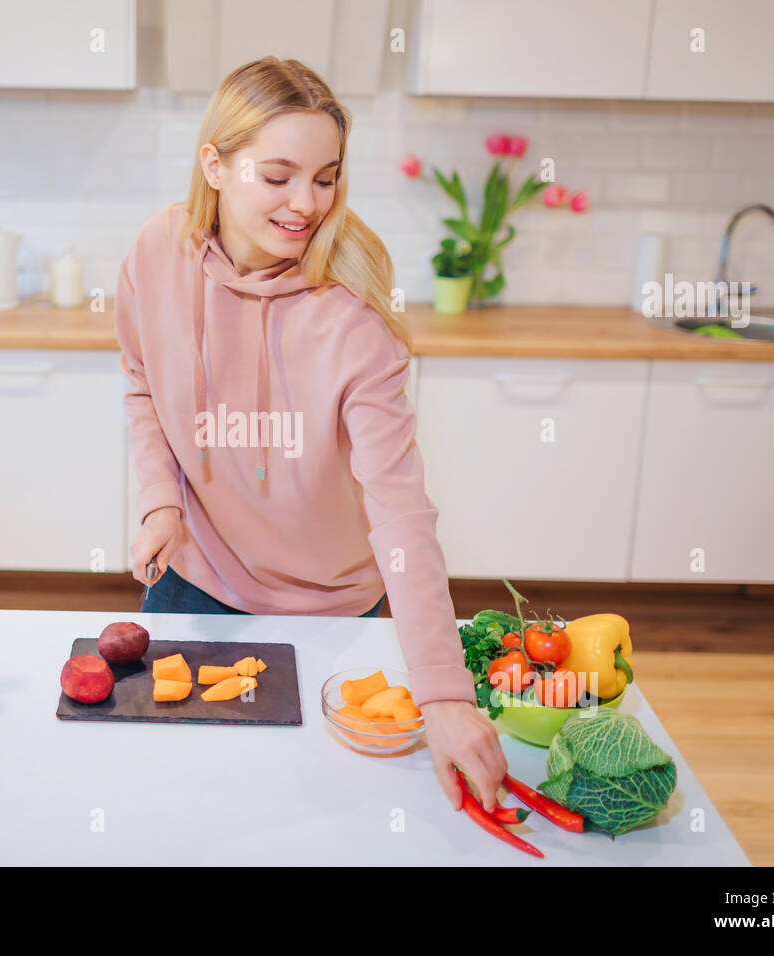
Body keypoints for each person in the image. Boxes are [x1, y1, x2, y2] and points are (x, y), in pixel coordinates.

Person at [113, 57, 506, 811]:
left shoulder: (352, 317)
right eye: (280, 175)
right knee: (173, 806)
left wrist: (446, 694)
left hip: (330, 610)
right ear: (216, 166)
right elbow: (141, 382)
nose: (307, 204)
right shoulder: (157, 253)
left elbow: (400, 510)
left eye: (325, 178)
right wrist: (162, 501)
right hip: (195, 582)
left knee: (313, 819)